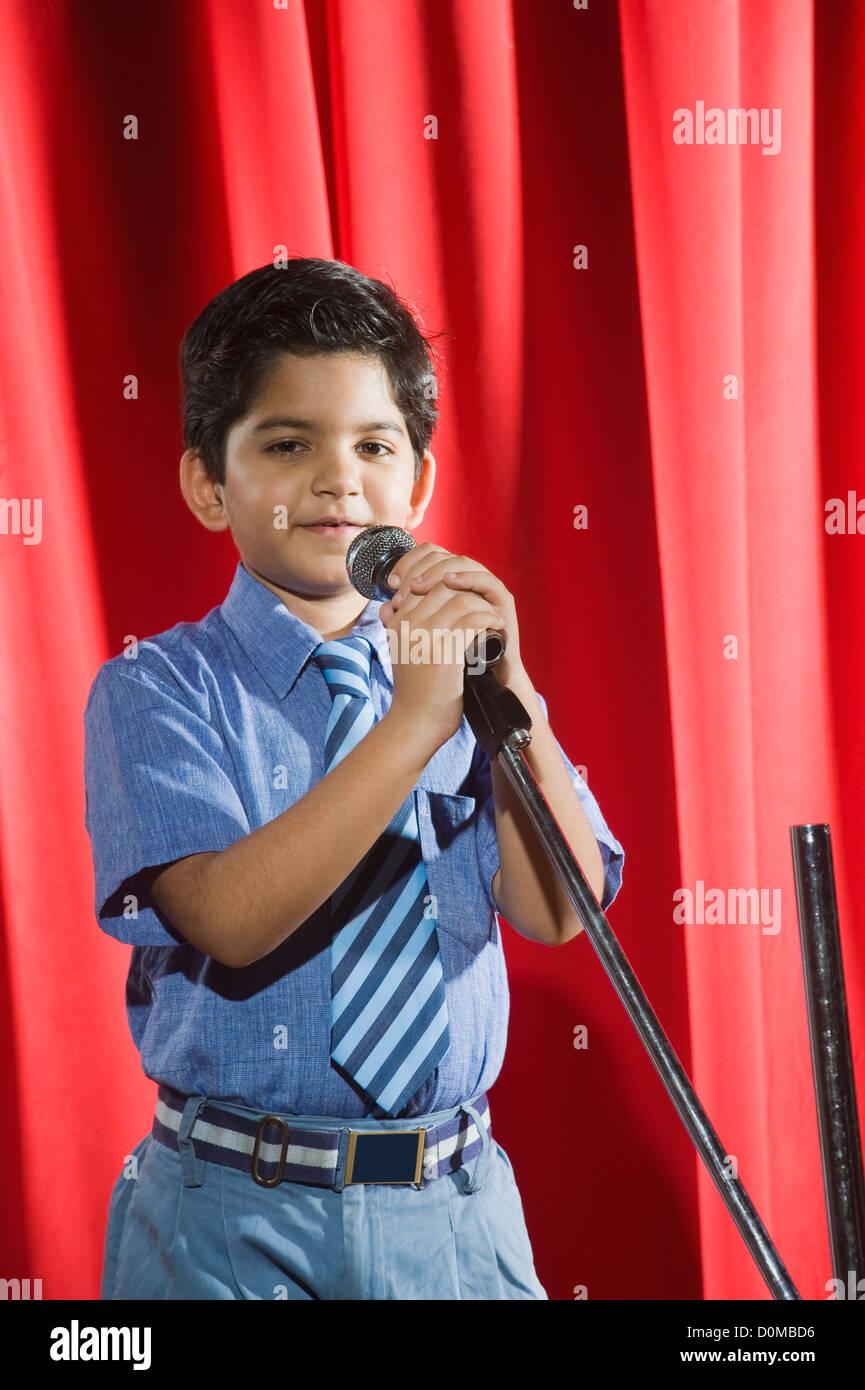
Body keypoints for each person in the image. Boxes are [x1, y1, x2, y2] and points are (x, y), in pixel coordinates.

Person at [84, 257, 625, 1301]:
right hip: (230, 1216)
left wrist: (507, 692)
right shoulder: (156, 686)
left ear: (418, 484)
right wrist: (413, 725)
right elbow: (229, 920)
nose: (340, 478)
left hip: (455, 1213)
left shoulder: (456, 676)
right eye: (288, 444)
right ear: (209, 481)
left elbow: (561, 909)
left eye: (375, 445)